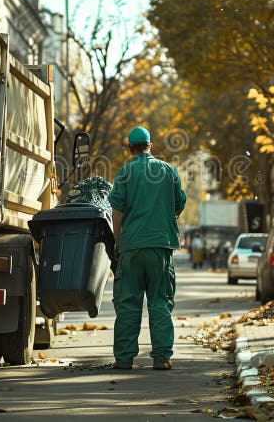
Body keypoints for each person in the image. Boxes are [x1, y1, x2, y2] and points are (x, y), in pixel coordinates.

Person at [108, 126, 186, 370]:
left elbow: (117, 212)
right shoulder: (168, 171)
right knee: (160, 302)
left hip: (131, 247)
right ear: (150, 146)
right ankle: (161, 357)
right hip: (160, 247)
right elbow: (179, 204)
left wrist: (116, 243)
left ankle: (124, 359)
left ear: (130, 148)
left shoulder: (125, 173)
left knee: (128, 304)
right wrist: (164, 217)